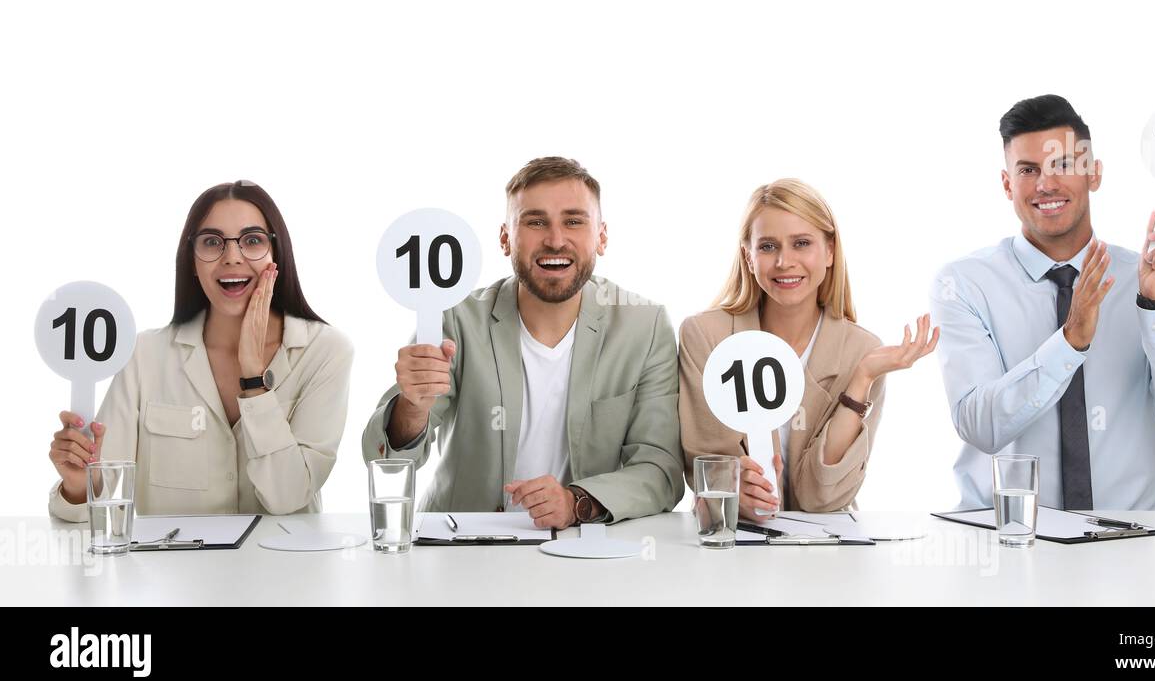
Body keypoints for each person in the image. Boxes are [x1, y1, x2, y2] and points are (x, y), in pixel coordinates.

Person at [931, 94, 1155, 510]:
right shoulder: (963, 284)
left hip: (1126, 547)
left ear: (1094, 174)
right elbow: (981, 427)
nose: (1046, 184)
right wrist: (1068, 343)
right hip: (1009, 544)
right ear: (1007, 183)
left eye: (1064, 165)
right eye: (1028, 170)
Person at [362, 157, 683, 528]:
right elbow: (383, 460)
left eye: (574, 221)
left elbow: (661, 470)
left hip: (587, 552)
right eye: (535, 222)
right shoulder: (453, 318)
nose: (555, 239)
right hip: (461, 547)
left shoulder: (644, 326)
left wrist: (576, 502)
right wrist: (412, 406)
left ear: (602, 236)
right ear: (505, 238)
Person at [47, 180, 353, 520]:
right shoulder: (144, 355)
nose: (232, 257)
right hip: (173, 570)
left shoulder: (326, 351)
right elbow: (92, 503)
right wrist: (77, 486)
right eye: (212, 242)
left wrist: (253, 379)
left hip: (285, 570)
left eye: (252, 240)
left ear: (276, 255)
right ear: (192, 261)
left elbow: (288, 497)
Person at [679, 178, 937, 520]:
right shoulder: (705, 336)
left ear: (830, 251)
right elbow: (703, 461)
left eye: (801, 243)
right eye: (768, 246)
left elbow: (822, 498)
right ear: (748, 255)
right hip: (734, 540)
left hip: (824, 552)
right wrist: (728, 483)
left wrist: (862, 379)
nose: (785, 261)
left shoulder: (862, 352)